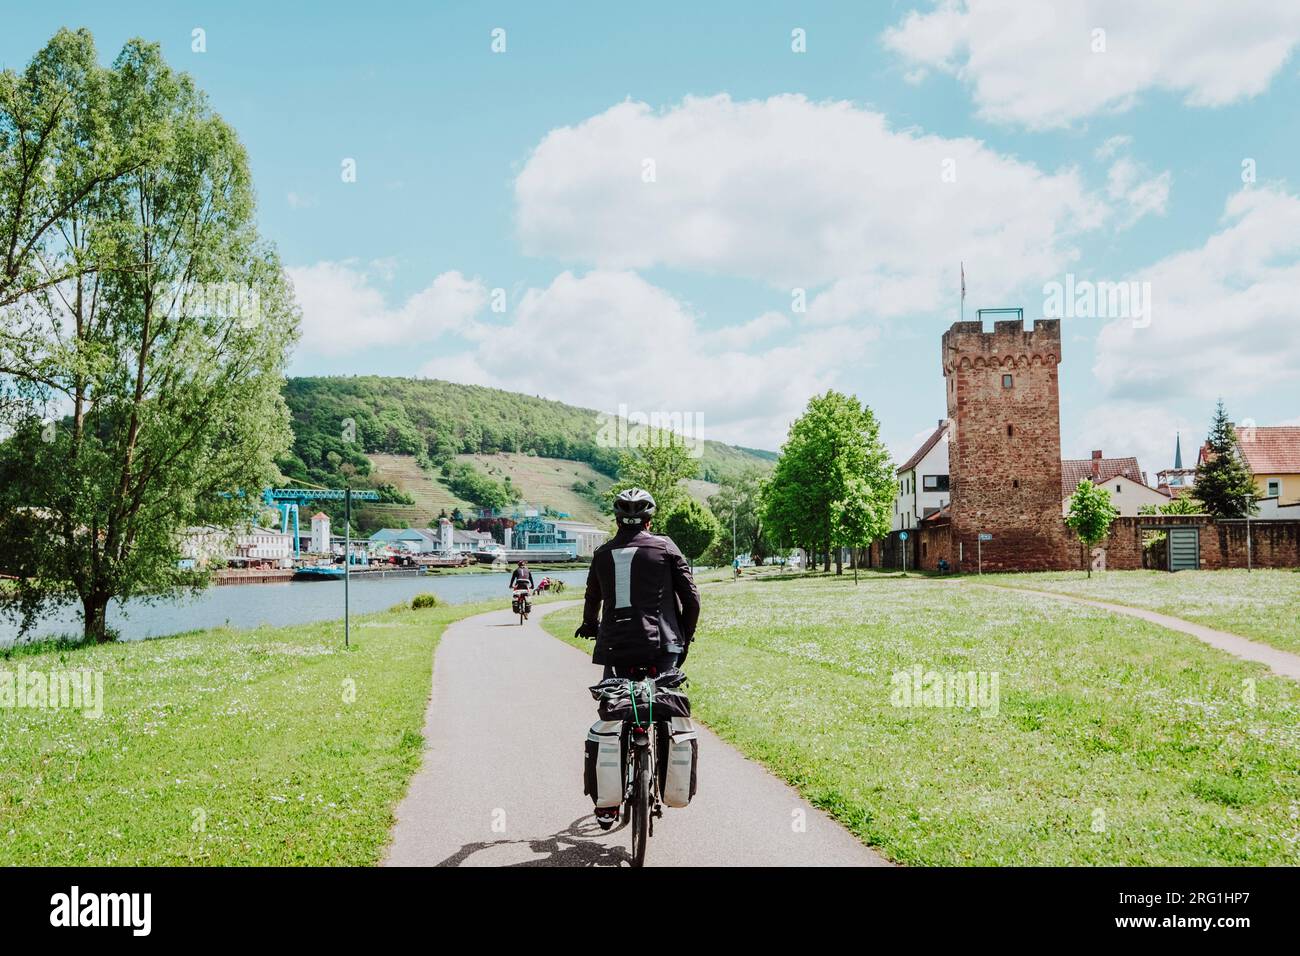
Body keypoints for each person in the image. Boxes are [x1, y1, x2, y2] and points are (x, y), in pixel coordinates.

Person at [575, 488, 700, 827]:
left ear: (617, 519)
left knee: (616, 713)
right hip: (664, 646)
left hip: (617, 646)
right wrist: (684, 637)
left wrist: (590, 625)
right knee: (661, 706)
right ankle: (662, 780)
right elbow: (691, 600)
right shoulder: (665, 547)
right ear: (650, 520)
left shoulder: (602, 553)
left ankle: (607, 804)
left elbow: (592, 597)